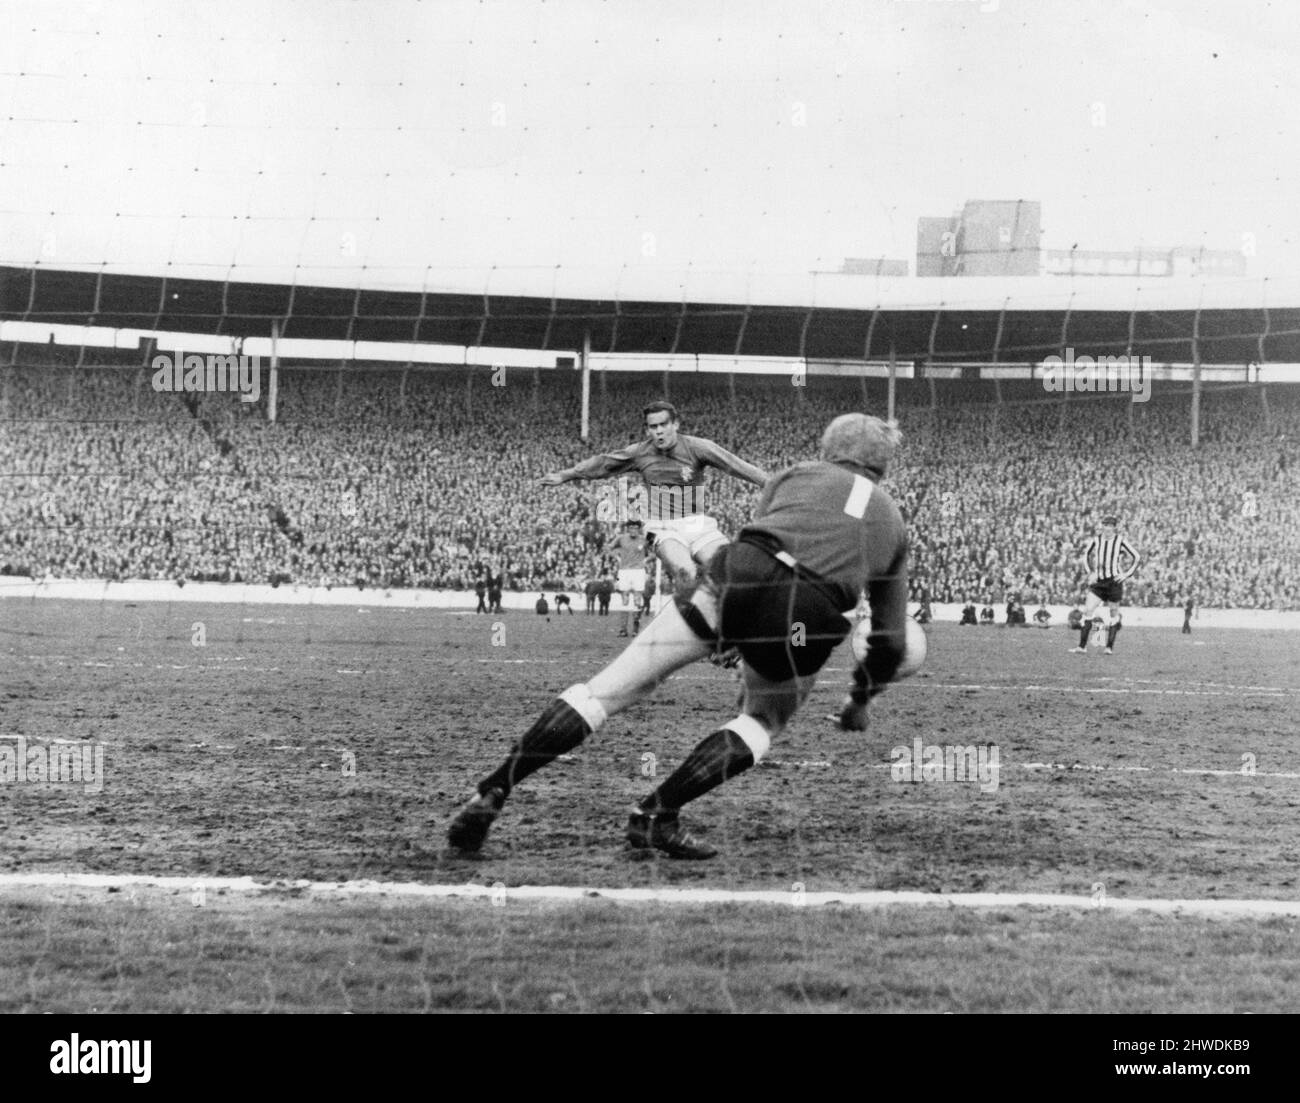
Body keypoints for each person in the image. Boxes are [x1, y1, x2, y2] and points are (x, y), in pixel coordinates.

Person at [448, 413, 916, 860]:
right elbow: (891, 641)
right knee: (760, 721)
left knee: (605, 691)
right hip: (807, 614)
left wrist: (733, 625)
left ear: (828, 449)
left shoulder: (796, 475)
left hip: (738, 575)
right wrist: (859, 703)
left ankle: (495, 786)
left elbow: (765, 540)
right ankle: (656, 813)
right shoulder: (893, 523)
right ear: (883, 465)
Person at [539, 400, 769, 593]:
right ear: (647, 429)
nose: (658, 431)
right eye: (653, 426)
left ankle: (721, 633)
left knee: (730, 572)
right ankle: (690, 636)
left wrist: (772, 483)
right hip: (661, 526)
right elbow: (603, 463)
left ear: (675, 424)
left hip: (697, 524)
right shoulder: (640, 452)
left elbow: (736, 465)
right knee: (685, 571)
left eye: (663, 424)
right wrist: (565, 475)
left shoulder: (698, 448)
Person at [1071, 515, 1140, 655]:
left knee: (1113, 613)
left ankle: (1109, 647)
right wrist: (1090, 572)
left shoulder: (1120, 540)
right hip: (1099, 583)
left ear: (1114, 527)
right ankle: (1082, 646)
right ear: (1102, 526)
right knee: (1088, 610)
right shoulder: (1096, 540)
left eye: (1110, 525)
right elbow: (1086, 555)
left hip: (1114, 582)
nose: (1107, 528)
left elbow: (1137, 557)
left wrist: (1126, 574)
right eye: (1105, 525)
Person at [608, 519, 649, 637]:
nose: (633, 530)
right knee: (624, 599)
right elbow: (609, 547)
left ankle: (636, 629)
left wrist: (645, 560)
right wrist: (617, 558)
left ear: (639, 529)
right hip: (624, 571)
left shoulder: (644, 539)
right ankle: (623, 630)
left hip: (639, 571)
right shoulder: (621, 538)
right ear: (628, 529)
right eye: (631, 528)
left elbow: (656, 545)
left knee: (637, 599)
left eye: (636, 528)